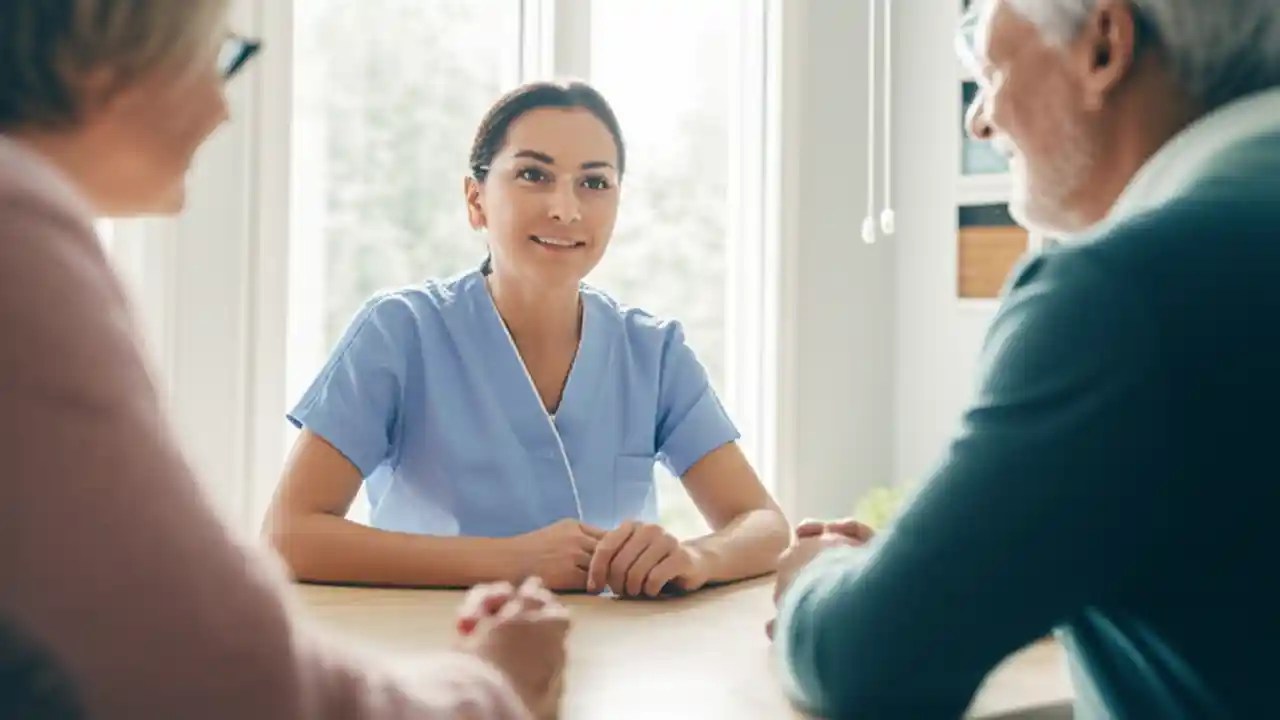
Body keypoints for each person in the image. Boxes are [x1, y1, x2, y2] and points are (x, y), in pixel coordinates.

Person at [0, 1, 568, 717]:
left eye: (596, 181)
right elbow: (223, 663)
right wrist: (491, 686)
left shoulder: (649, 342)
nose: (221, 110)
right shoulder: (17, 240)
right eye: (217, 59)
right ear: (100, 50)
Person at [771, 0, 1280, 717]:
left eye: (989, 74)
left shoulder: (1120, 292)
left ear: (1104, 43)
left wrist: (814, 577)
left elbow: (870, 662)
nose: (979, 121)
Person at [264, 80, 790, 597]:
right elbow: (289, 535)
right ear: (476, 200)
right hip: (434, 657)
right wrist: (511, 562)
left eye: (594, 183)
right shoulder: (399, 332)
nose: (566, 208)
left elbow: (763, 523)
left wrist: (696, 556)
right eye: (534, 175)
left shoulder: (653, 353)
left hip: (613, 664)